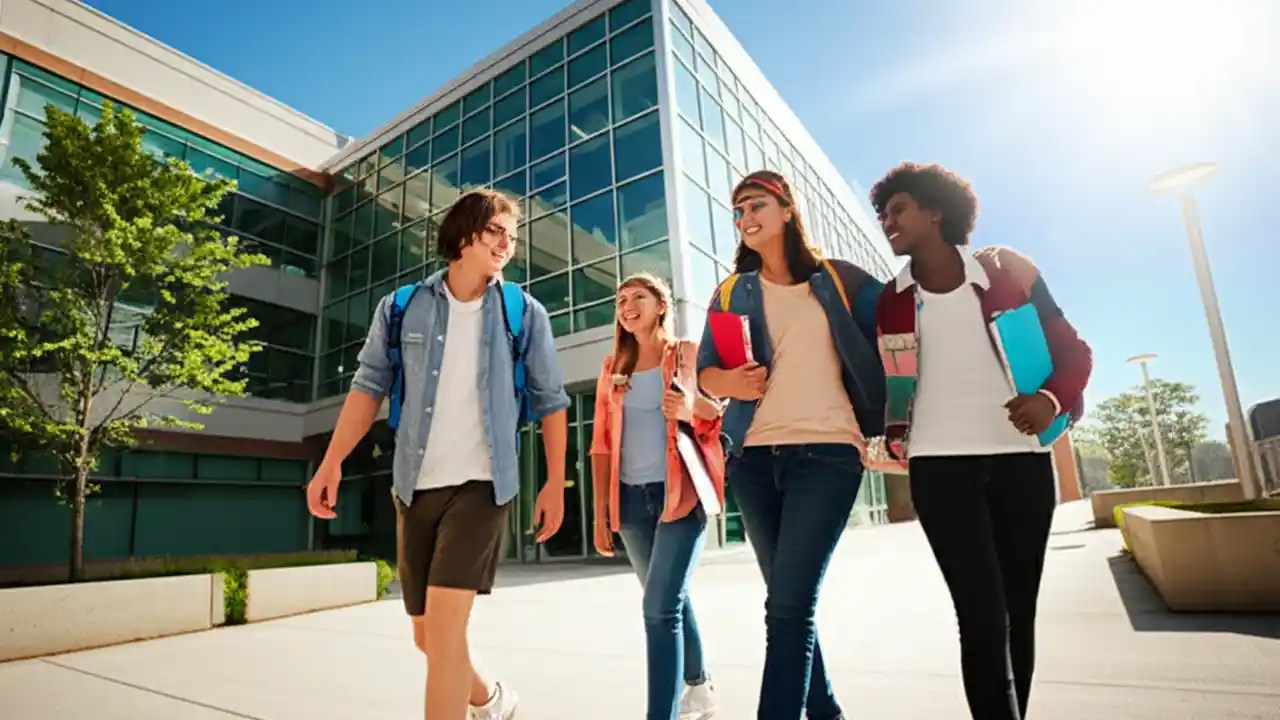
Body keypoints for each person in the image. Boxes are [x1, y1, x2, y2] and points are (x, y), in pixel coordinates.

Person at [305, 189, 571, 720]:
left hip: (483, 485)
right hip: (414, 484)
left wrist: (554, 481)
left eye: (511, 237)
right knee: (429, 638)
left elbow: (551, 401)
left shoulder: (523, 312)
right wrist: (331, 461)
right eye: (496, 231)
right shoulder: (402, 306)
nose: (506, 244)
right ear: (465, 232)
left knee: (448, 631)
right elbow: (367, 388)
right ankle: (493, 701)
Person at [869, 161, 1092, 720]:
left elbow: (1074, 353)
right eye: (881, 214)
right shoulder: (890, 300)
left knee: (1020, 611)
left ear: (937, 210)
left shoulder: (1006, 276)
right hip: (939, 466)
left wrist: (1051, 401)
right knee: (981, 613)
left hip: (1021, 461)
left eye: (897, 209)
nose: (886, 221)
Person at [696, 170, 887, 720]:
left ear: (786, 210)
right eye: (737, 211)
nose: (745, 217)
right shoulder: (732, 290)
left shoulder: (839, 279)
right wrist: (729, 384)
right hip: (754, 458)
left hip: (827, 452)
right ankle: (826, 713)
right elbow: (707, 370)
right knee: (788, 603)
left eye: (755, 205)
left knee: (787, 608)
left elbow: (902, 325)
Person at [589, 273, 725, 720]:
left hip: (679, 496)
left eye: (638, 297)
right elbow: (601, 446)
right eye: (621, 299)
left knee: (659, 606)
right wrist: (600, 515)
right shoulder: (614, 369)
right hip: (629, 504)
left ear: (660, 305)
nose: (628, 306)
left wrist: (691, 406)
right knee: (669, 598)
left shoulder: (686, 355)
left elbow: (720, 414)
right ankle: (699, 687)